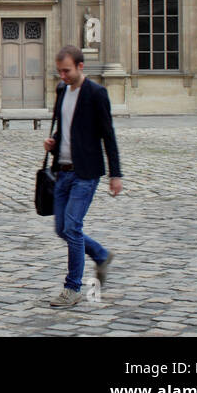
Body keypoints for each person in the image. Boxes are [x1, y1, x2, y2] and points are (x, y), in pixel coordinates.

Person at [43, 45, 123, 308]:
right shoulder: (61, 91)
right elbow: (66, 128)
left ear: (80, 66)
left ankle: (72, 288)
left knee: (72, 228)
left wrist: (115, 174)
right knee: (61, 229)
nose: (62, 75)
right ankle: (100, 254)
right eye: (59, 71)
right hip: (62, 171)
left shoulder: (96, 94)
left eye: (66, 71)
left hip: (86, 173)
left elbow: (108, 135)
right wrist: (53, 141)